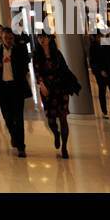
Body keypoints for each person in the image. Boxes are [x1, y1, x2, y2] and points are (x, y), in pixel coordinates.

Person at [0, 27, 31, 157]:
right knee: (7, 116)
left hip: (17, 86)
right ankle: (14, 135)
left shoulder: (19, 49)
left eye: (11, 38)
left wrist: (14, 62)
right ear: (2, 38)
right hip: (4, 88)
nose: (8, 40)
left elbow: (25, 64)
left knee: (18, 117)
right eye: (6, 38)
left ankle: (21, 146)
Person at [33, 29, 74, 158]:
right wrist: (42, 84)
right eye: (39, 37)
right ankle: (56, 134)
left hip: (60, 88)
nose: (41, 39)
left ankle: (64, 147)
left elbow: (64, 69)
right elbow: (37, 72)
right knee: (51, 120)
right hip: (47, 89)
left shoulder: (57, 54)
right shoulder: (37, 55)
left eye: (44, 37)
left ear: (49, 38)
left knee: (63, 118)